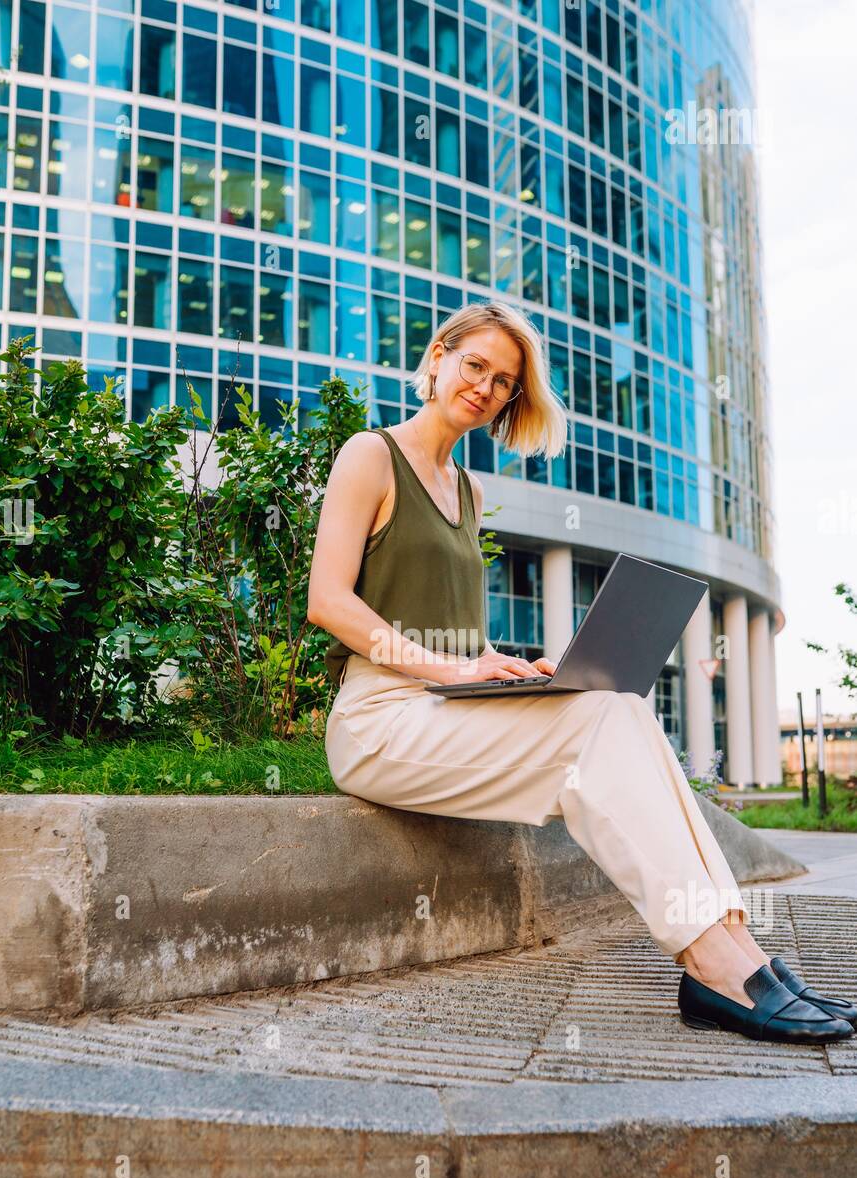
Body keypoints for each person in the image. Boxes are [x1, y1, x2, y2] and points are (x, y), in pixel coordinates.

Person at [307, 301, 854, 1045]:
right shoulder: (370, 455)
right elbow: (329, 601)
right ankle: (714, 964)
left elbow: (450, 629)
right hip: (377, 723)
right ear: (438, 358)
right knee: (597, 729)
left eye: (504, 382)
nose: (485, 388)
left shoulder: (466, 490)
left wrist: (503, 669)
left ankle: (737, 949)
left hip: (441, 708)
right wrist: (454, 669)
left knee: (614, 702)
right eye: (475, 366)